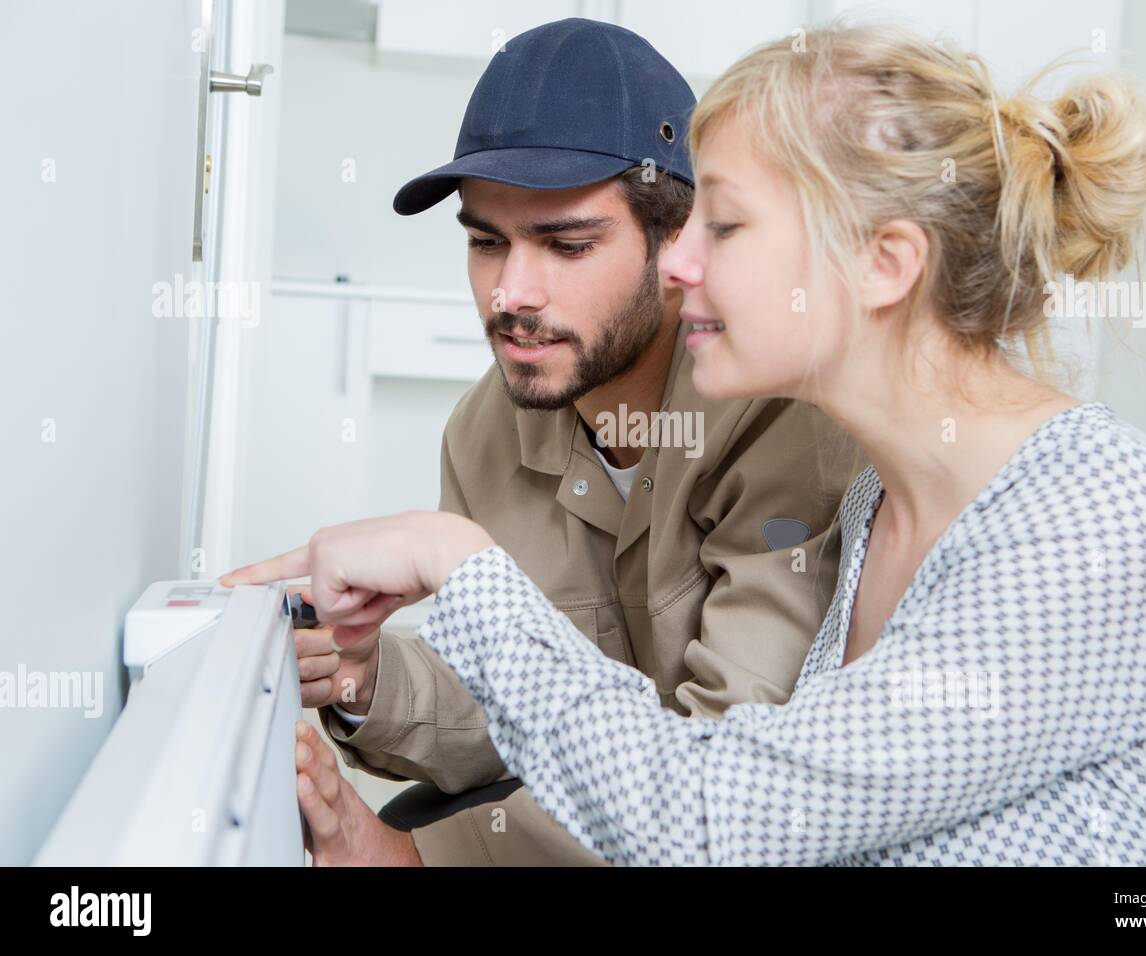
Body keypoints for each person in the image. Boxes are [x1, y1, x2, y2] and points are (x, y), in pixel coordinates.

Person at [225, 23, 1146, 865]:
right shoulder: (881, 503)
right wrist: (377, 678)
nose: (679, 262)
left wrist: (455, 561)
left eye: (721, 226)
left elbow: (712, 824)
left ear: (883, 264)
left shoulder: (1099, 519)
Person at [245, 18, 863, 866]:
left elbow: (719, 791)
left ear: (678, 242)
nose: (511, 294)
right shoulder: (485, 429)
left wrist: (423, 859)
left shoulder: (783, 419)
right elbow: (514, 703)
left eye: (567, 245)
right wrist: (365, 681)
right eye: (485, 242)